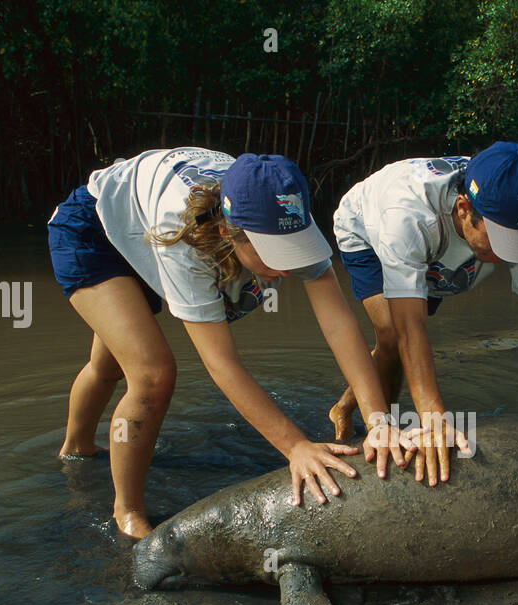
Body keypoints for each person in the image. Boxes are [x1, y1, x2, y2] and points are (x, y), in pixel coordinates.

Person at [47, 148, 406, 539]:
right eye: (273, 254)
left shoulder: (284, 212)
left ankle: (77, 453)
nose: (286, 268)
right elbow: (222, 363)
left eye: (292, 247)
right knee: (151, 374)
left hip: (140, 214)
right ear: (226, 233)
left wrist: (378, 421)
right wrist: (295, 446)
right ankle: (124, 505)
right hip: (98, 231)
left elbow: (338, 323)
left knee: (112, 362)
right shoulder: (183, 241)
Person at [328, 142, 518, 486]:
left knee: (399, 339)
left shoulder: (516, 208)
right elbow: (411, 329)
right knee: (393, 333)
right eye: (503, 239)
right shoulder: (407, 216)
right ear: (465, 209)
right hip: (366, 229)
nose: (513, 252)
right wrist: (433, 418)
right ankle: (381, 421)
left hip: (442, 250)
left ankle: (344, 406)